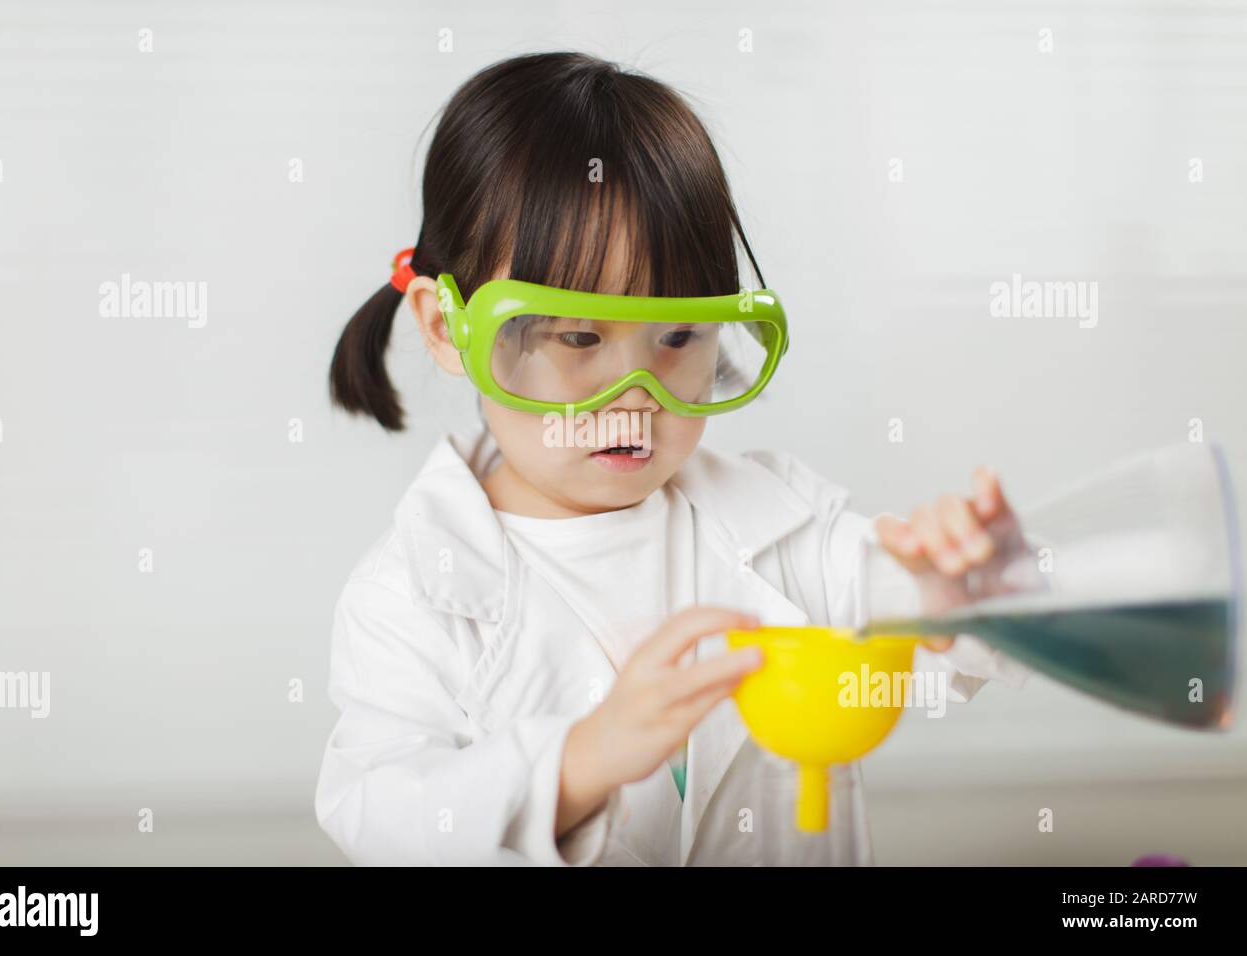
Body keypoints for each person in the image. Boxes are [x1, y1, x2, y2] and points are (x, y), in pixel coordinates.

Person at [315, 52, 1026, 866]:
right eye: (578, 337)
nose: (636, 392)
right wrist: (578, 763)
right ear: (448, 330)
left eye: (679, 336)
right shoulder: (409, 596)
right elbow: (383, 819)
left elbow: (964, 634)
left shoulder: (787, 529)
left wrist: (968, 582)